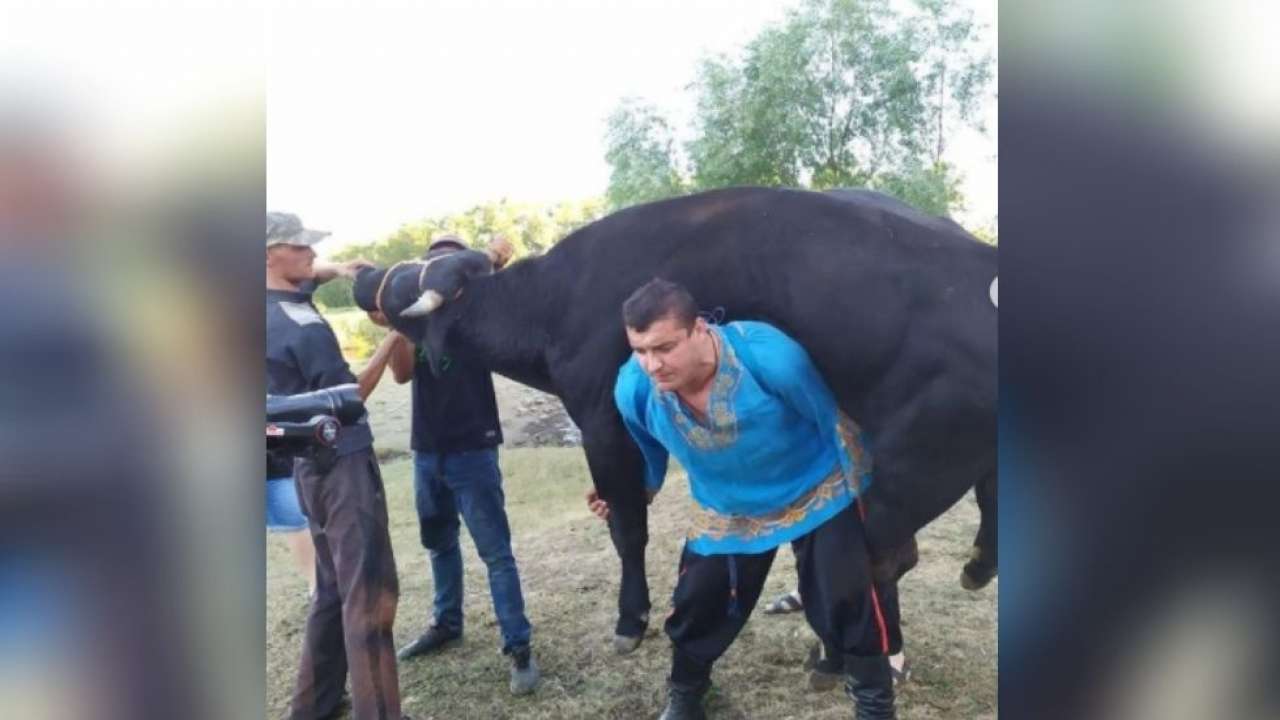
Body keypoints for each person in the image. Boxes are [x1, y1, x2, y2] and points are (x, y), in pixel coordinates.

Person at [587, 278, 901, 720]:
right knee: (699, 600)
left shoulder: (769, 358)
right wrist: (632, 493)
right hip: (727, 507)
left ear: (699, 329)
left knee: (845, 593)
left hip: (815, 489)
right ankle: (685, 697)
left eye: (664, 347)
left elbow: (831, 420)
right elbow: (648, 449)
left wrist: (866, 507)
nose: (652, 364)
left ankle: (874, 706)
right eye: (640, 350)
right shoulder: (633, 389)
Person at [377, 234, 540, 696]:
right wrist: (398, 323)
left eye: (450, 258)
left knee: (495, 553)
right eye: (435, 259)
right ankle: (446, 623)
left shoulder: (477, 317)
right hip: (427, 449)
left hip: (473, 446)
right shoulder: (415, 320)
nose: (441, 264)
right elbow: (403, 373)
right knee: (439, 544)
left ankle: (519, 647)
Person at [266, 211, 413, 720]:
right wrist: (397, 331)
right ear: (268, 256)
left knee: (331, 592)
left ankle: (313, 708)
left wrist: (338, 269)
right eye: (299, 247)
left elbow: (301, 275)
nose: (312, 253)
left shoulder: (267, 307)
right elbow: (349, 400)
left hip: (307, 469)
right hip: (343, 463)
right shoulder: (298, 325)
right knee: (369, 599)